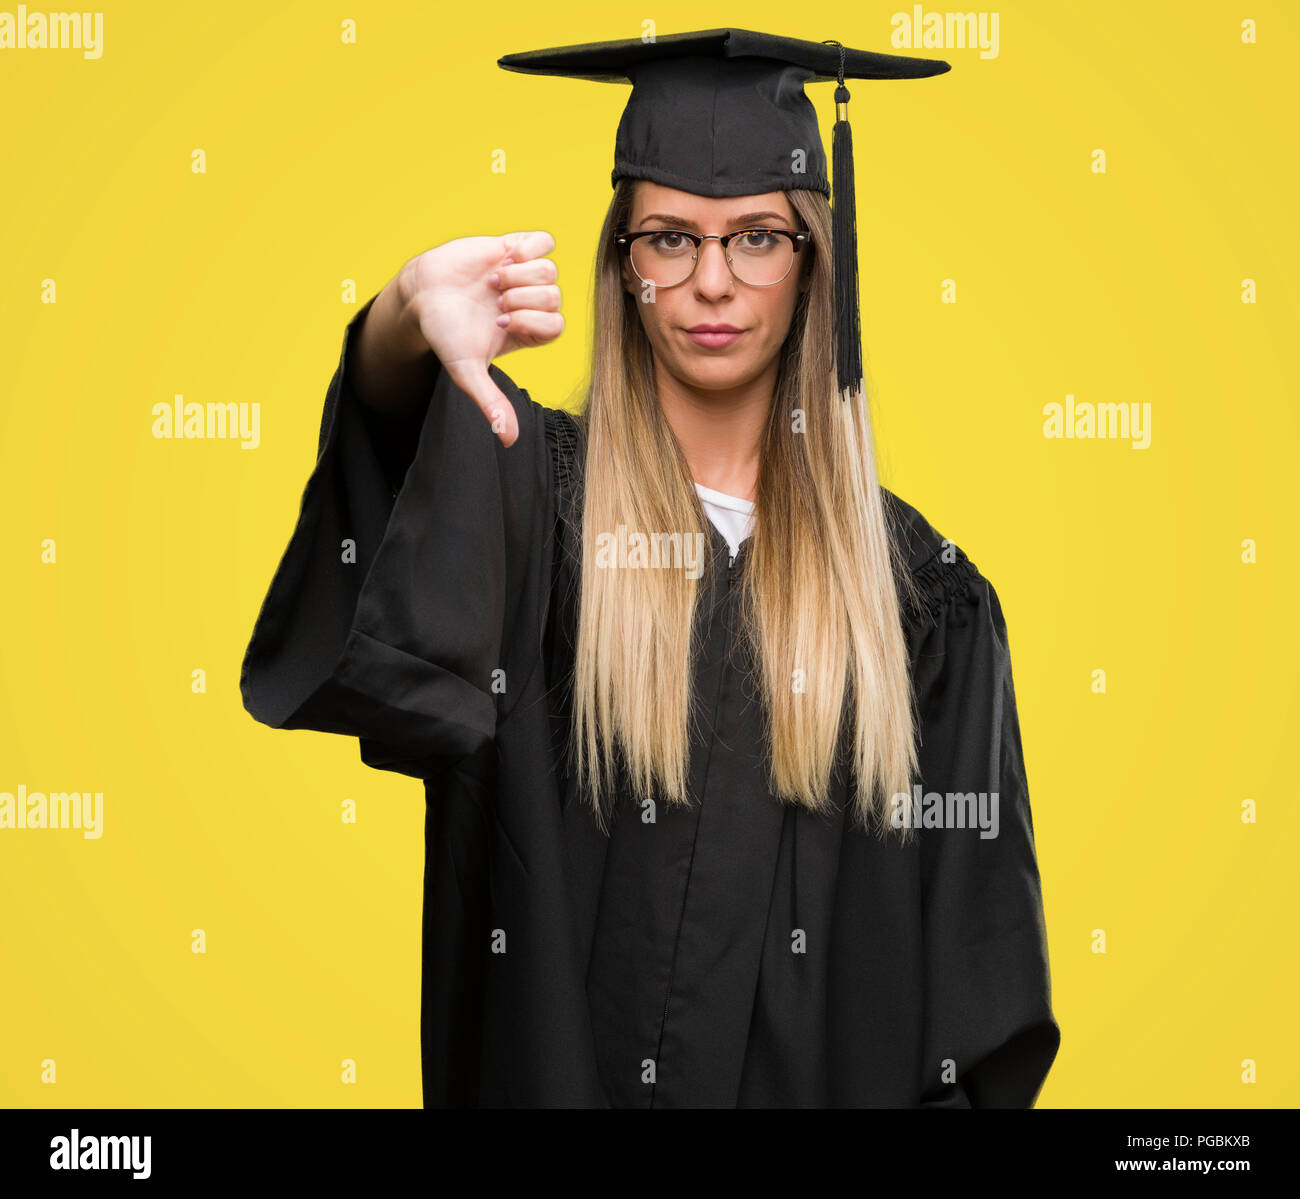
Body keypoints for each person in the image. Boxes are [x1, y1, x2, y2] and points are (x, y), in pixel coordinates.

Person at [239, 28, 1061, 1108]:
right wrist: (399, 323)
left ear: (815, 259)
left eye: (756, 238)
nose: (710, 282)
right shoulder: (534, 509)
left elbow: (977, 998)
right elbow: (386, 549)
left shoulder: (919, 603)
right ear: (621, 263)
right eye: (668, 239)